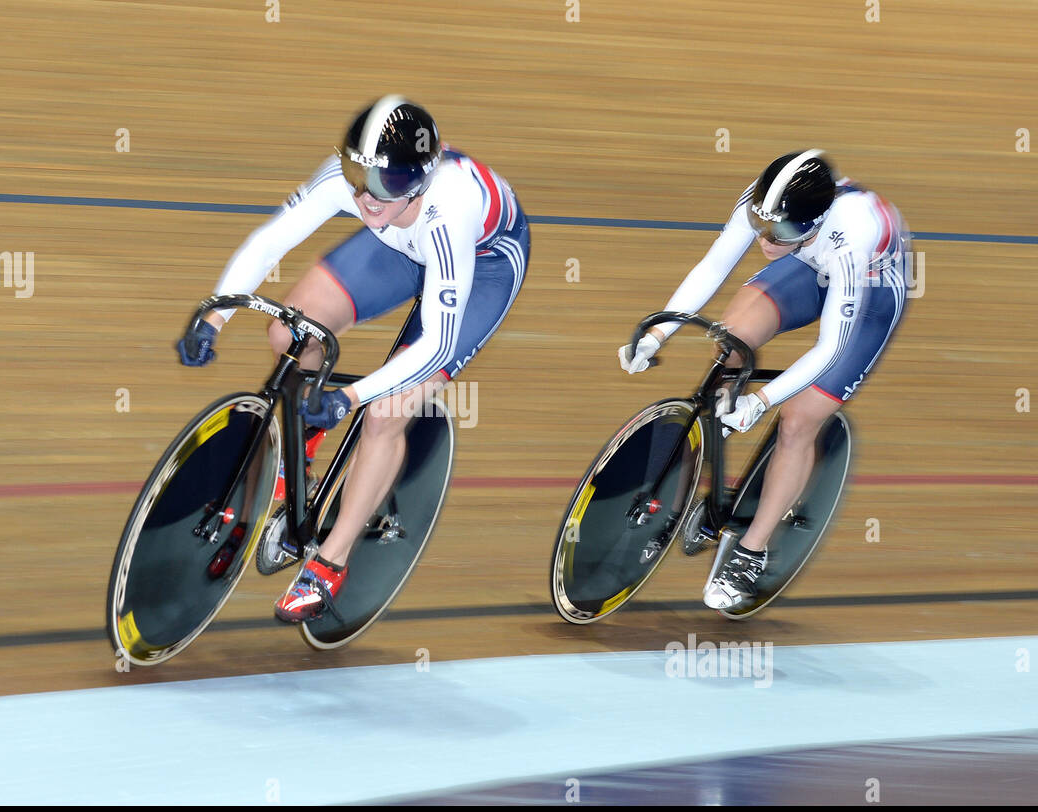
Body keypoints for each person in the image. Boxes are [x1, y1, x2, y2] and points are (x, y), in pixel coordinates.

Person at [177, 95, 530, 622]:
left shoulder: (448, 206)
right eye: (356, 174)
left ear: (417, 181)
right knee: (288, 332)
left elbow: (435, 342)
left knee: (387, 414)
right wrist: (215, 314)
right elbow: (272, 240)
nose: (364, 195)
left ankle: (330, 561)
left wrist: (351, 397)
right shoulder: (365, 185)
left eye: (381, 185)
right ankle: (307, 439)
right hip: (402, 243)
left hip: (480, 263)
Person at [618, 149, 911, 612]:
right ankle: (688, 491)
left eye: (782, 232)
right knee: (731, 339)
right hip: (808, 263)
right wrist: (658, 333)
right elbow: (713, 268)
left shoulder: (853, 232)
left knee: (797, 419)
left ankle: (752, 551)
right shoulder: (768, 208)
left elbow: (830, 348)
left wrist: (760, 402)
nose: (767, 240)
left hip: (868, 291)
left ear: (813, 222)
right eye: (762, 226)